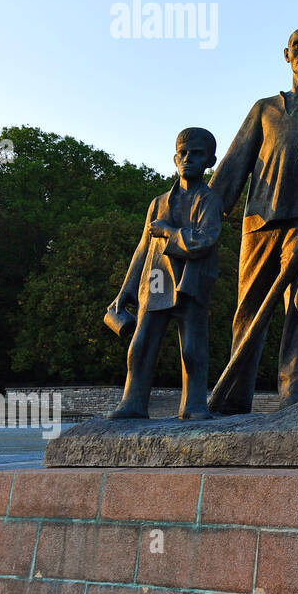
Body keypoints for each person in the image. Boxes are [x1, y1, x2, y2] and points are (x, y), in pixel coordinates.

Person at [208, 27, 298, 413]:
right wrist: (204, 215)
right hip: (260, 219)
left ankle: (296, 395)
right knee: (247, 308)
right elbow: (233, 166)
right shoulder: (264, 108)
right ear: (286, 54)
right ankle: (232, 398)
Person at [106, 128, 222, 421]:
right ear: (174, 157)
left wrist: (169, 232)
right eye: (182, 153)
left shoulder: (210, 200)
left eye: (196, 154)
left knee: (193, 351)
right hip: (155, 284)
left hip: (190, 285)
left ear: (210, 160)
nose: (187, 159)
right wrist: (126, 290)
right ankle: (132, 402)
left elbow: (204, 240)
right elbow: (143, 248)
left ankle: (194, 404)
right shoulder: (158, 202)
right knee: (141, 346)